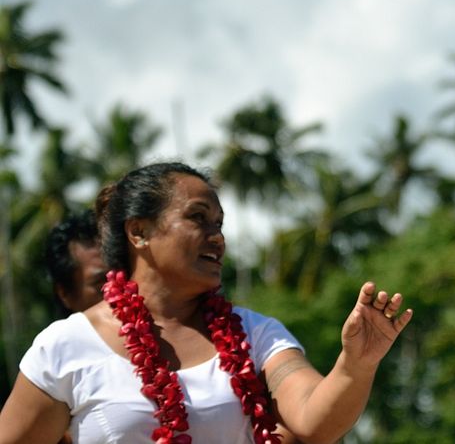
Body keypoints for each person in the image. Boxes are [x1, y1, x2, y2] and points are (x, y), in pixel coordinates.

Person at [0, 162, 412, 443]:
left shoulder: (257, 334)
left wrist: (356, 363)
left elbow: (313, 419)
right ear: (139, 232)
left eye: (219, 224)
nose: (217, 237)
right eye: (198, 218)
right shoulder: (65, 346)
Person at [43, 210, 108, 317]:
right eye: (103, 287)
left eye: (126, 277)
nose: (119, 294)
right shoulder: (57, 334)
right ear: (65, 294)